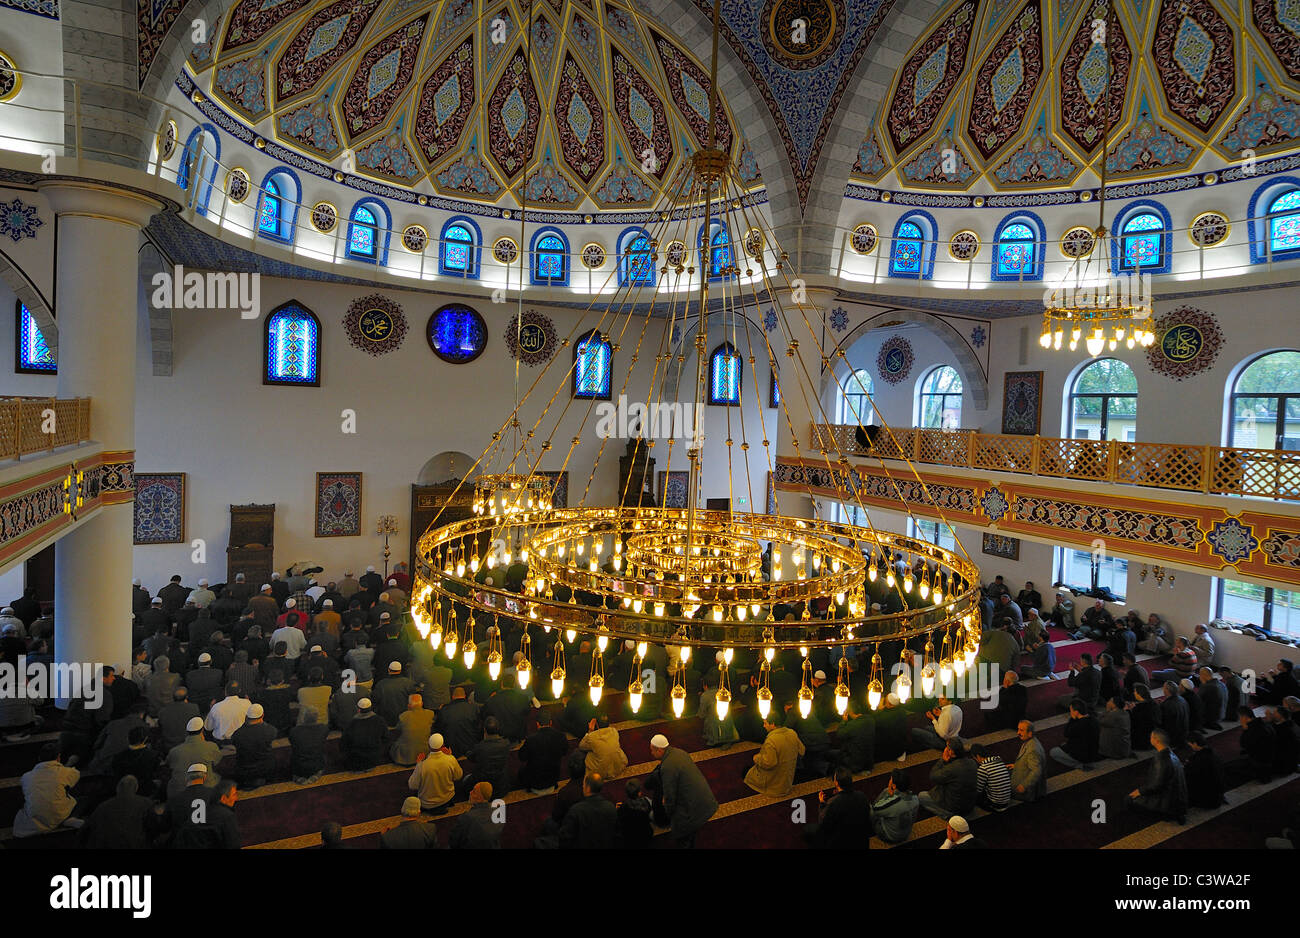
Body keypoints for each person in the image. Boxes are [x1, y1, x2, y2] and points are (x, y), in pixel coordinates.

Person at [650, 733, 719, 848]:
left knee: (683, 835)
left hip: (692, 807)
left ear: (660, 751)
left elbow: (669, 795)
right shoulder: (680, 752)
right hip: (703, 800)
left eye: (652, 750)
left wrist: (668, 813)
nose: (651, 753)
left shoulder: (667, 767)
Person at [13, 744, 83, 837]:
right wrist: (69, 763)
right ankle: (68, 818)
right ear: (58, 758)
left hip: (35, 819)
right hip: (59, 813)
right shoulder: (68, 772)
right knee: (80, 799)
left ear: (39, 758)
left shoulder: (26, 776)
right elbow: (74, 775)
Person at [1127, 729, 1188, 824]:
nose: (1150, 738)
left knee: (1129, 800)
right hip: (1177, 797)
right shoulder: (1170, 753)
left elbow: (1156, 785)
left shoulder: (1161, 760)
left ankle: (1165, 815)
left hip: (1167, 801)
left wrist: (1140, 791)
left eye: (1151, 737)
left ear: (1156, 740)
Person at [79, 774, 151, 849]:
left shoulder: (103, 806)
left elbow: (85, 830)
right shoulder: (146, 803)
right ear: (136, 788)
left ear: (118, 788)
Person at [805, 767, 871, 849]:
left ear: (836, 783)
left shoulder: (834, 803)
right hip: (861, 841)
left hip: (840, 843)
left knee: (808, 830)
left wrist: (822, 803)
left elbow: (823, 822)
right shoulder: (862, 796)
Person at [745, 711, 805, 798]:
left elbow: (769, 763)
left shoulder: (771, 740)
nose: (764, 726)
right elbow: (802, 751)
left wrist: (757, 758)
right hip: (788, 779)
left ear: (772, 724)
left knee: (747, 772)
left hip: (774, 785)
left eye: (765, 723)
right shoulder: (792, 733)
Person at [918, 738, 977, 821]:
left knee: (921, 796)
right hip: (970, 805)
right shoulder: (972, 762)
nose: (945, 749)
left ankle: (948, 815)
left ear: (951, 752)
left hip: (955, 808)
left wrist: (942, 760)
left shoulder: (952, 769)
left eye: (947, 747)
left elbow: (933, 776)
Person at [559, 773, 619, 849]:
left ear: (588, 788)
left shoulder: (576, 810)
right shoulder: (611, 807)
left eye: (583, 785)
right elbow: (617, 835)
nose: (583, 787)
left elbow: (565, 839)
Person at [166, 718, 222, 797]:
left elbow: (168, 764)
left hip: (180, 790)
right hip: (205, 788)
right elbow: (218, 761)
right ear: (202, 730)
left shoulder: (174, 751)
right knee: (217, 777)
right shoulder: (211, 747)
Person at [518, 709, 568, 793]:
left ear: (537, 724)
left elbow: (522, 757)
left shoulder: (531, 739)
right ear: (551, 723)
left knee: (521, 771)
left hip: (535, 783)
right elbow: (565, 752)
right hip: (553, 779)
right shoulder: (561, 736)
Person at [410, 733, 462, 813]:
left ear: (429, 746)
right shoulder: (450, 760)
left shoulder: (422, 765)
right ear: (443, 745)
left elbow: (412, 785)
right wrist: (451, 756)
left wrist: (418, 764)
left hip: (427, 804)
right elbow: (458, 776)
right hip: (446, 799)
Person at [230, 703, 277, 789]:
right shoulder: (270, 730)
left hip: (244, 770)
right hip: (265, 769)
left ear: (246, 717)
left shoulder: (237, 734)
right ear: (262, 715)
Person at [465, 716, 512, 799]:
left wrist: (467, 752)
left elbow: (471, 758)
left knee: (465, 780)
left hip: (483, 786)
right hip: (501, 784)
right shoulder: (506, 743)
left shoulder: (480, 747)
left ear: (484, 730)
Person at [871, 770, 919, 845]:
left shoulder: (893, 803)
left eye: (890, 779)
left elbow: (875, 808)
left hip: (890, 836)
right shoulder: (915, 798)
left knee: (869, 809)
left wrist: (888, 795)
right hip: (906, 834)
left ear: (894, 785)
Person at [1050, 699, 1100, 771]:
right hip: (1093, 752)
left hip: (1082, 755)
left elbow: (1066, 733)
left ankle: (1081, 765)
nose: (1070, 713)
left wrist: (1072, 719)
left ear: (1076, 712)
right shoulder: (1094, 719)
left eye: (1071, 710)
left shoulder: (1078, 725)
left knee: (1053, 752)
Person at [1231, 706, 1276, 784]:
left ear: (1244, 717)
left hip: (1260, 761)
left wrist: (1245, 730)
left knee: (1230, 769)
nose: (1240, 720)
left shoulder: (1252, 730)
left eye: (1240, 717)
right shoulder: (1264, 724)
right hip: (1271, 756)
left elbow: (1244, 744)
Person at [450, 782, 502, 849]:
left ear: (480, 798)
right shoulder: (498, 813)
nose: (470, 792)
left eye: (474, 791)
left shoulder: (466, 817)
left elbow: (454, 841)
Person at [340, 698, 386, 771]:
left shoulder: (351, 724)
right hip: (374, 757)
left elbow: (343, 744)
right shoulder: (380, 720)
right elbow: (386, 738)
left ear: (358, 710)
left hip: (356, 760)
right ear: (371, 708)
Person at [579, 714, 629, 781]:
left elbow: (581, 746)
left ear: (596, 725)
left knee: (588, 753)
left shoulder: (591, 737)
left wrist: (590, 731)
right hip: (619, 766)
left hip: (601, 772)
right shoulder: (614, 731)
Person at [1185, 732, 1227, 810]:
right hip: (1218, 795)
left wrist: (1188, 765)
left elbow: (1190, 775)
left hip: (1208, 800)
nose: (1190, 747)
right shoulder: (1213, 753)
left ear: (1195, 744)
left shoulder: (1198, 760)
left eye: (1190, 745)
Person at [391, 694, 435, 766]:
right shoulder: (430, 714)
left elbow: (397, 730)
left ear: (409, 705)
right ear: (422, 704)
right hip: (425, 754)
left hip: (405, 757)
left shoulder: (403, 716)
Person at [1009, 720, 1046, 802]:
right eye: (1018, 729)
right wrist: (1016, 766)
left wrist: (1024, 785)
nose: (1018, 733)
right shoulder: (1032, 741)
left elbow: (1037, 771)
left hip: (1027, 791)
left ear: (1030, 733)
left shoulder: (1032, 750)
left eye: (1021, 730)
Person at [290, 709, 330, 784]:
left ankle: (300, 777)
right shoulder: (324, 729)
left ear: (303, 718)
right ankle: (315, 775)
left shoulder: (294, 731)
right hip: (317, 765)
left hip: (298, 766)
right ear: (316, 718)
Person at [836, 699, 875, 772]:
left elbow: (839, 734)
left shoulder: (852, 725)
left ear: (850, 712)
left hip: (856, 764)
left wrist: (843, 721)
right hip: (869, 761)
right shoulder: (870, 720)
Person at [971, 742, 1011, 812]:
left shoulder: (983, 768)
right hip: (1007, 801)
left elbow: (978, 790)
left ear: (977, 756)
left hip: (996, 804)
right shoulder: (999, 761)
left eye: (975, 758)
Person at [159, 688, 201, 752]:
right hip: (189, 746)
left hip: (170, 746)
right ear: (186, 697)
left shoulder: (163, 711)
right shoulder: (194, 708)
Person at [617, 779, 654, 849]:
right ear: (639, 793)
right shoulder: (647, 802)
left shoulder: (623, 807)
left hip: (630, 839)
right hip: (646, 835)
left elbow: (619, 821)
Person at [1098, 695, 1132, 760]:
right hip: (1124, 747)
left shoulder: (1114, 715)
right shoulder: (1125, 713)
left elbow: (1099, 720)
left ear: (1114, 704)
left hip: (1116, 751)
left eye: (1110, 701)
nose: (1108, 702)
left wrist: (1107, 710)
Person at [1159, 681, 1190, 748]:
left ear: (1167, 690)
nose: (1163, 690)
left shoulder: (1167, 705)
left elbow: (1163, 722)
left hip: (1173, 737)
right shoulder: (1182, 699)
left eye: (1164, 688)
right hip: (1184, 733)